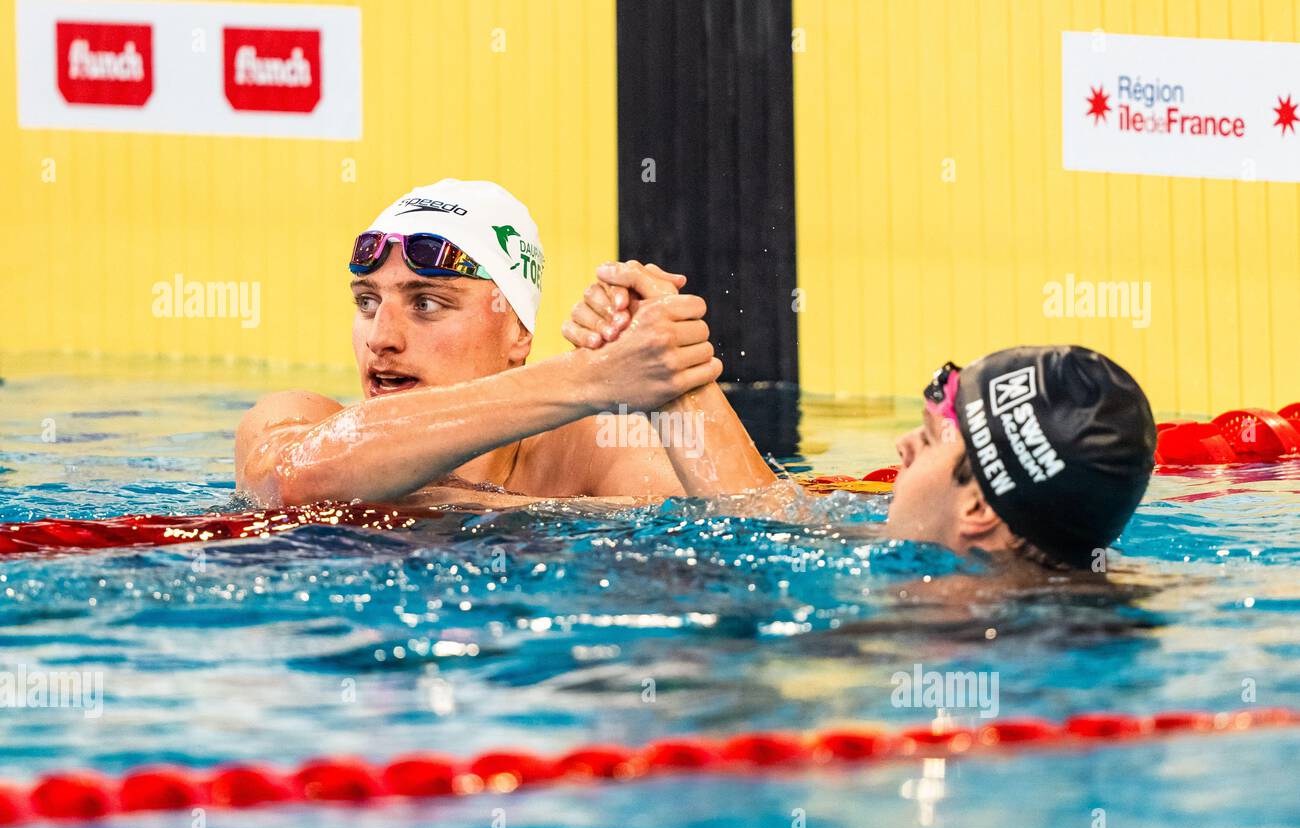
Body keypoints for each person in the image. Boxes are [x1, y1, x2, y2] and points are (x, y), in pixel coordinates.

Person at [566, 267, 1157, 571]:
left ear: (977, 508)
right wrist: (662, 360)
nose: (903, 446)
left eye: (929, 440)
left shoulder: (921, 631)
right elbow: (766, 514)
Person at [233, 179, 773, 509]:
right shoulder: (293, 416)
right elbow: (293, 481)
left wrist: (677, 382)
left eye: (426, 303)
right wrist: (588, 377)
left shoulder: (596, 457)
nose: (381, 338)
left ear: (518, 334)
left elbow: (768, 545)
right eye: (368, 303)